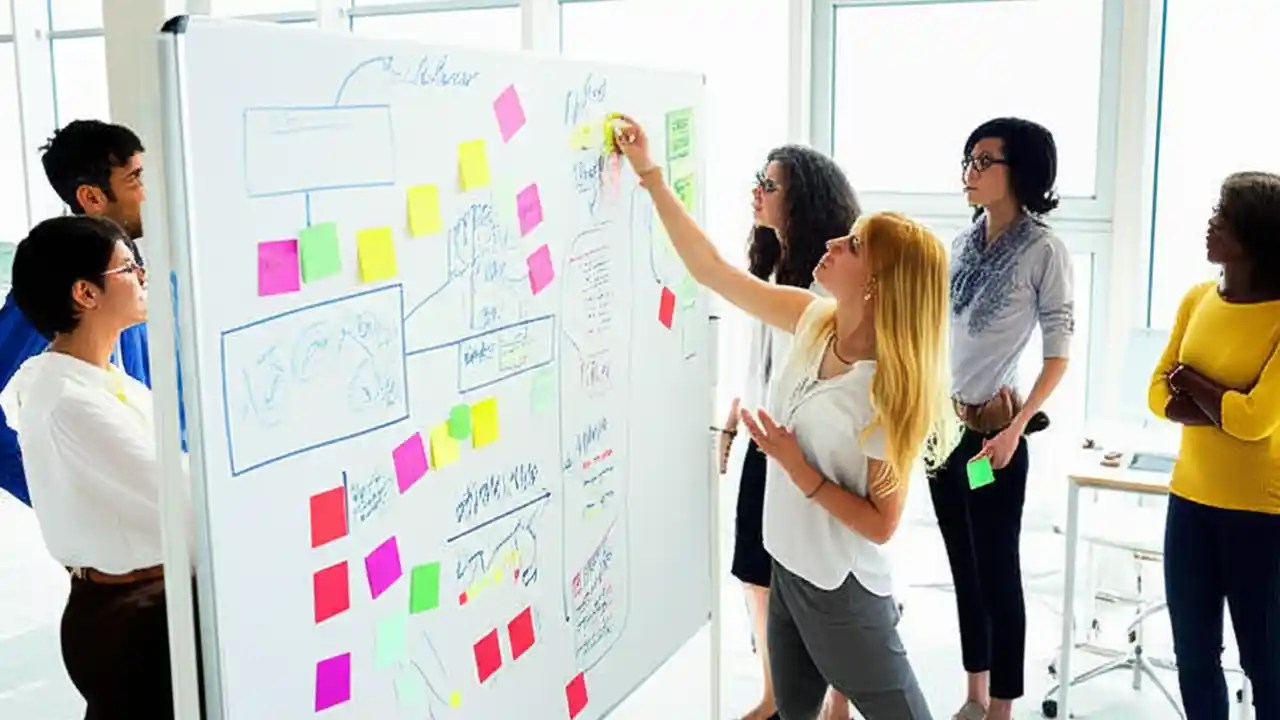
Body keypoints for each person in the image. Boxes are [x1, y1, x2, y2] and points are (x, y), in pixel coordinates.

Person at [614, 114, 948, 720]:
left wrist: (798, 469)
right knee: (792, 712)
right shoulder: (812, 319)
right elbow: (712, 271)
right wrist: (650, 174)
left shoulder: (888, 391)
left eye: (852, 246)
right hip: (788, 568)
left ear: (876, 284)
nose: (833, 245)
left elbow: (882, 524)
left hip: (843, 592)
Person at [0, 215, 185, 718]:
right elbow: (180, 503)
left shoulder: (99, 380)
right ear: (85, 293)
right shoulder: (68, 401)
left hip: (145, 604)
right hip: (135, 620)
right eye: (128, 268)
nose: (143, 277)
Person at [928, 117, 1072, 720]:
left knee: (998, 574)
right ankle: (974, 694)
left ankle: (1002, 709)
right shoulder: (960, 244)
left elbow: (1058, 353)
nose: (971, 171)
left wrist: (1016, 429)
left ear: (1021, 171)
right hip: (945, 434)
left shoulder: (1043, 249)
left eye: (985, 161)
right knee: (962, 568)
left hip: (995, 439)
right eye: (968, 159)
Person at [717, 147, 861, 720]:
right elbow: (763, 362)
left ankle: (838, 699)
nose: (757, 192)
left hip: (810, 449)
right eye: (758, 181)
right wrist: (736, 413)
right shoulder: (770, 262)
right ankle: (775, 695)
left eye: (770, 185)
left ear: (803, 199)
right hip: (763, 439)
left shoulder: (827, 281)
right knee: (755, 573)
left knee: (825, 578)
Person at [1148, 171, 1280, 720]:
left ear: (1254, 235)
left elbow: (1255, 421)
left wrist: (1194, 383)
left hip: (1262, 517)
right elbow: (1158, 394)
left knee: (1267, 665)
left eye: (1223, 217)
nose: (1211, 224)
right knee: (1194, 657)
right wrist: (1220, 402)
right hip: (1190, 505)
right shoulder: (1196, 298)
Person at [0, 119, 153, 506]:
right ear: (92, 197)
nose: (148, 194)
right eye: (135, 178)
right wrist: (54, 493)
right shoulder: (54, 281)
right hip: (116, 522)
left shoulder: (133, 278)